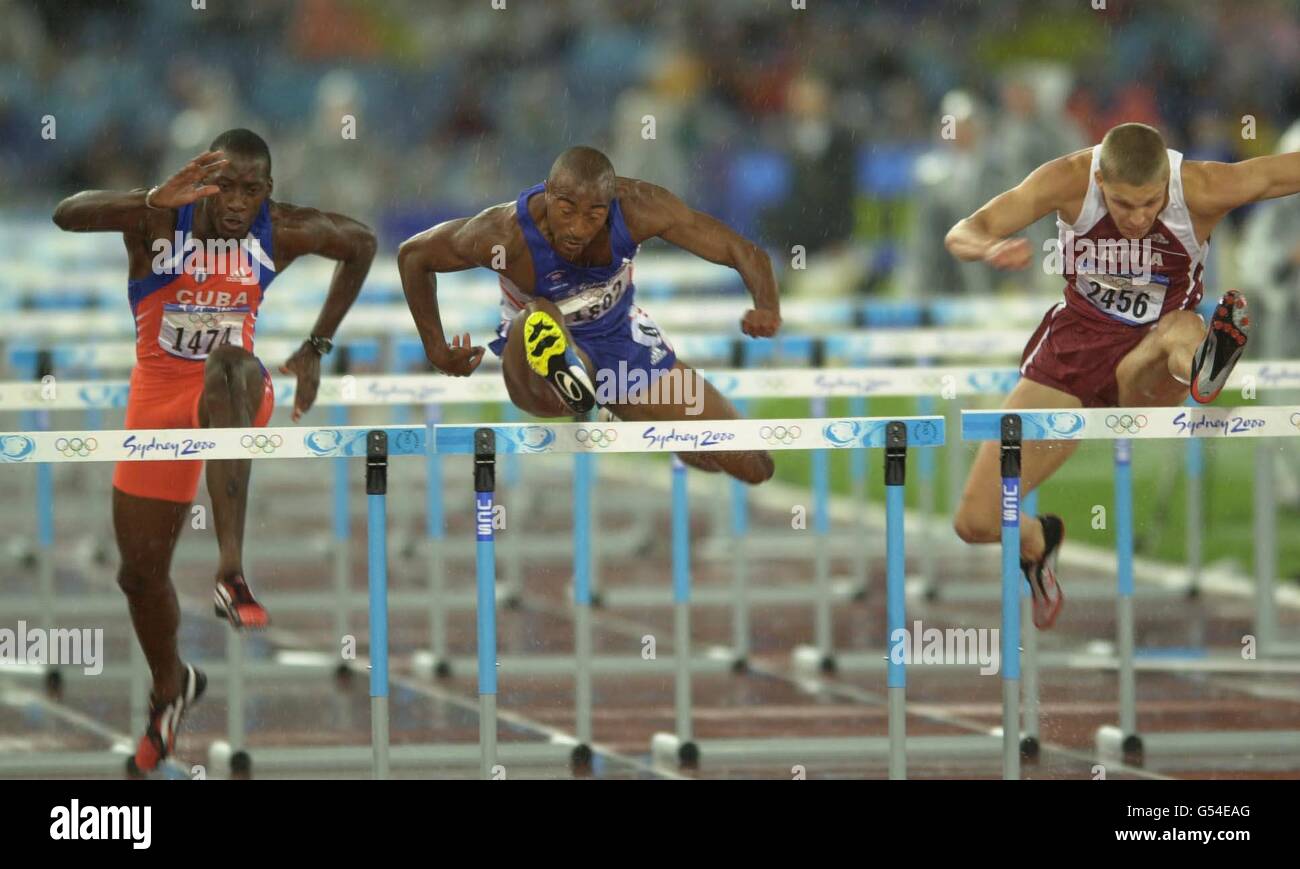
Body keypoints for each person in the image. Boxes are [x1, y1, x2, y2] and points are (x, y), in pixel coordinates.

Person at [52, 128, 377, 775]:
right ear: (203, 178)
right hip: (158, 398)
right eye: (224, 185)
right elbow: (67, 214)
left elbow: (362, 244)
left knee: (230, 362)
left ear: (268, 192)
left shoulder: (275, 230)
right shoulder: (158, 217)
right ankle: (171, 685)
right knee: (138, 576)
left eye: (251, 190)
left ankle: (231, 572)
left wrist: (316, 347)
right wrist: (148, 198)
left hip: (235, 389)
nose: (236, 202)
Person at [945, 122, 1275, 628]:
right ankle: (1038, 539)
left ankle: (1204, 369)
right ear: (1100, 180)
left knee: (1180, 328)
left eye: (1152, 203)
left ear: (1169, 180)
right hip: (1070, 357)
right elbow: (965, 229)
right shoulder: (1068, 179)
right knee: (976, 522)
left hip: (1147, 363)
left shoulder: (1204, 187)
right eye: (1124, 205)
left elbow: (1280, 174)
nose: (1140, 218)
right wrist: (989, 248)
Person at [398, 145, 780, 484]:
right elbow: (414, 255)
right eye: (567, 211)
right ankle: (569, 372)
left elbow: (740, 250)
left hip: (621, 343)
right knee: (539, 315)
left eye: (594, 215)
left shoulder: (639, 208)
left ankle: (608, 400)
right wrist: (436, 348)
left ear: (610, 203)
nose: (579, 228)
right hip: (532, 359)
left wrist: (766, 304)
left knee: (753, 464)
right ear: (548, 195)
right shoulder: (503, 234)